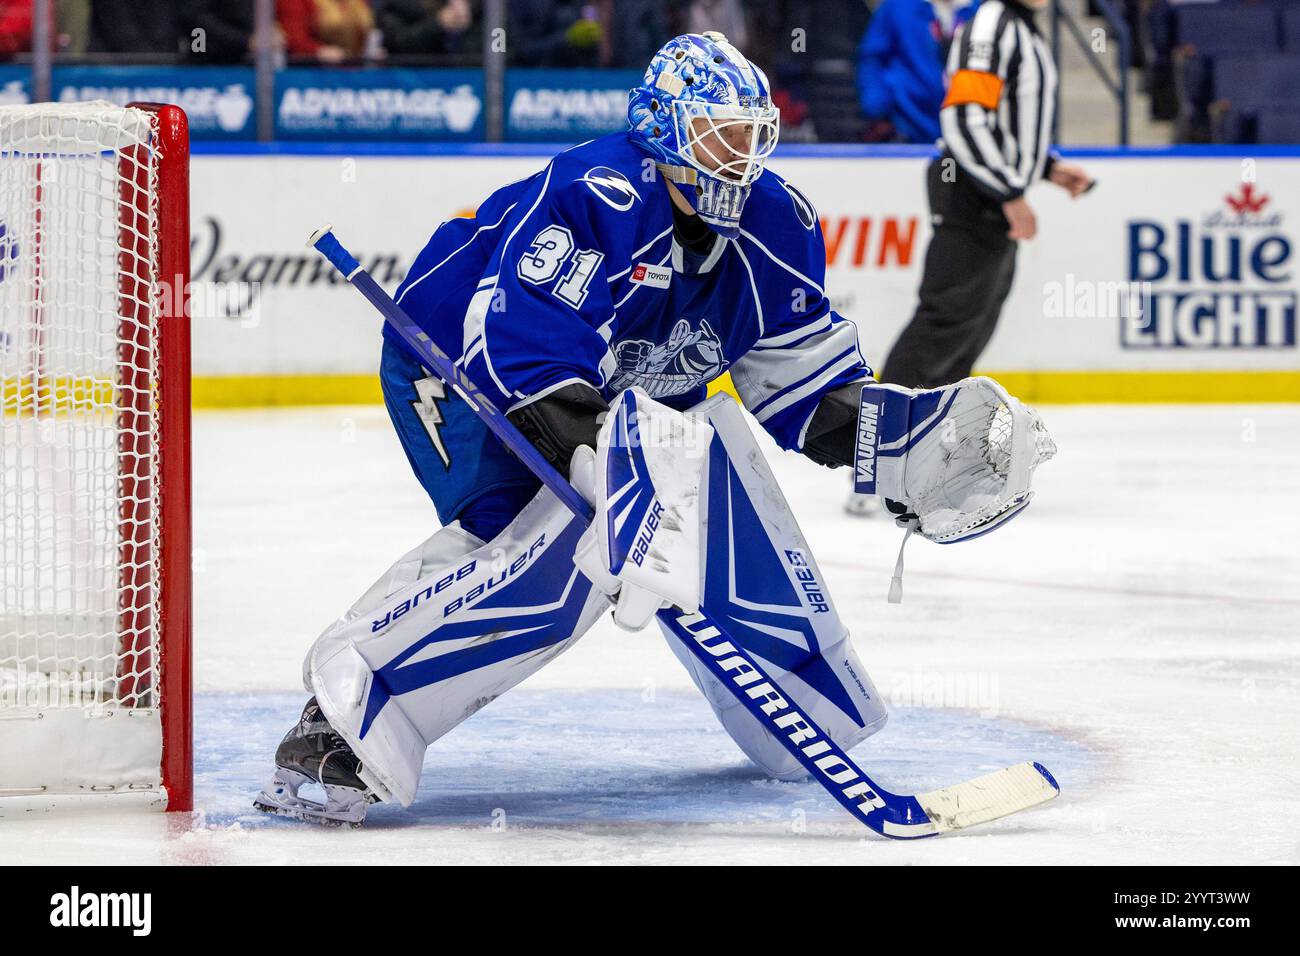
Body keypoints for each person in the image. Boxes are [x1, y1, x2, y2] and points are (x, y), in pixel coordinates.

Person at [254, 32, 1052, 826]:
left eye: (751, 135)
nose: (739, 156)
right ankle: (347, 714)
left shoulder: (777, 222)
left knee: (702, 476)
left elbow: (803, 386)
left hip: (616, 387)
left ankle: (805, 703)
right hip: (460, 372)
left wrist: (897, 443)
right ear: (664, 131)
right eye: (718, 133)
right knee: (552, 546)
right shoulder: (597, 192)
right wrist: (616, 476)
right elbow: (526, 359)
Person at [880, 0, 1092, 389]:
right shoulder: (992, 26)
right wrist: (1010, 191)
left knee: (969, 327)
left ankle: (923, 428)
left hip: (984, 191)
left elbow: (997, 120)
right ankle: (881, 429)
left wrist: (1043, 167)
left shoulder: (1017, 26)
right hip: (972, 194)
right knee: (946, 320)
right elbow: (964, 120)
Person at [856, 0, 980, 144]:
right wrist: (878, 111)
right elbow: (871, 59)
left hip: (968, 126)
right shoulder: (898, 6)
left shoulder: (981, 10)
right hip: (906, 125)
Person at [278, 0, 374, 63]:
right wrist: (319, 51)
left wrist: (370, 50)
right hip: (314, 72)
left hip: (357, 69)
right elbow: (294, 38)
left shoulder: (357, 3)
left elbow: (367, 29)